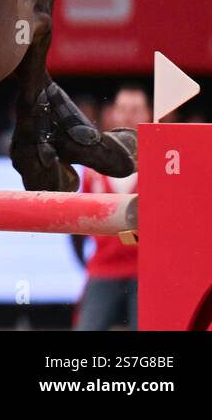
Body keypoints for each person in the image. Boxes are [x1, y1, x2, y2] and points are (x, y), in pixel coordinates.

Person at [71, 84, 148, 330]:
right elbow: (76, 224)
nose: (128, 116)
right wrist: (84, 263)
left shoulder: (165, 164)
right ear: (112, 113)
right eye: (123, 109)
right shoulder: (93, 168)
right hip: (104, 268)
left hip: (147, 271)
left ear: (149, 114)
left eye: (135, 110)